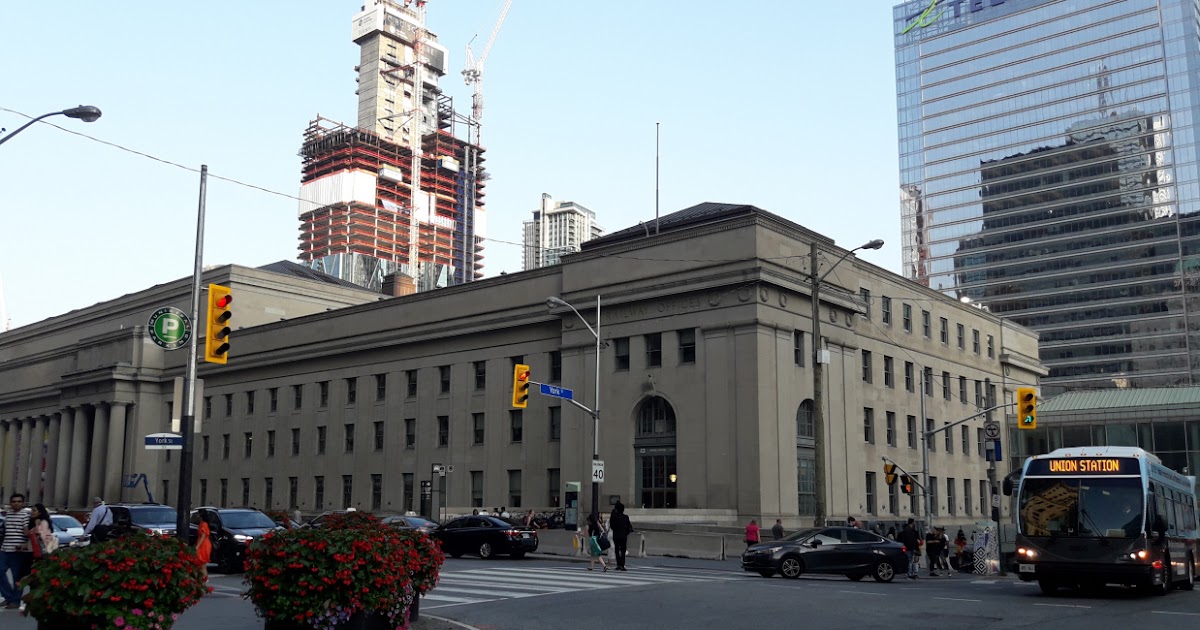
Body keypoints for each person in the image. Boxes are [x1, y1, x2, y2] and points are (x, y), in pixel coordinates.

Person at [0, 493, 33, 609]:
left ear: (23, 503)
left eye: (19, 501)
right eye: (14, 501)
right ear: (10, 503)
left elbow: (27, 532)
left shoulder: (25, 515)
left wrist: (25, 542)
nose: (16, 503)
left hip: (17, 550)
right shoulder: (8, 514)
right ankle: (8, 596)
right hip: (4, 548)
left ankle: (15, 601)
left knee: (17, 578)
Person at [609, 501, 634, 571]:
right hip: (623, 535)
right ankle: (622, 564)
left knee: (617, 550)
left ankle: (618, 564)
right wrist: (625, 533)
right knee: (623, 550)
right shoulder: (625, 517)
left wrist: (615, 530)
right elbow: (629, 527)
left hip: (616, 535)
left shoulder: (614, 517)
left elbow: (611, 525)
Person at [195, 515, 213, 580]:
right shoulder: (202, 523)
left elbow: (203, 536)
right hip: (203, 544)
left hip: (204, 545)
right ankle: (202, 579)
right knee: (200, 564)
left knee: (202, 563)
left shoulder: (204, 524)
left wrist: (197, 546)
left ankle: (204, 579)